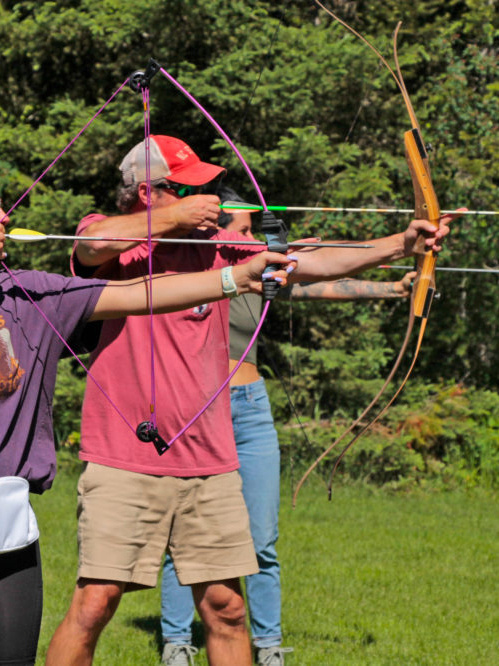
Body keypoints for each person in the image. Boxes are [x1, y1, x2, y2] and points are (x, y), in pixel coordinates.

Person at [0, 122, 293, 666]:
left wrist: (236, 278)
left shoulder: (25, 295)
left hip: (1, 533)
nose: (2, 217)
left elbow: (140, 292)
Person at [45, 135, 454, 666]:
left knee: (226, 608)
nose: (209, 200)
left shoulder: (216, 244)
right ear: (149, 193)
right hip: (126, 458)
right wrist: (171, 220)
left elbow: (304, 263)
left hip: (209, 460)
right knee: (95, 604)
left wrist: (401, 244)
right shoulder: (115, 243)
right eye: (189, 191)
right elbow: (92, 245)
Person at [159, 189, 418, 666]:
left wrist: (395, 288)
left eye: (251, 228)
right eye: (238, 227)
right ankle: (177, 642)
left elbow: (321, 282)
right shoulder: (189, 270)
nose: (248, 236)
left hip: (251, 407)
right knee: (188, 537)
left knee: (261, 539)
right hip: (198, 410)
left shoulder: (262, 272)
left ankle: (268, 645)